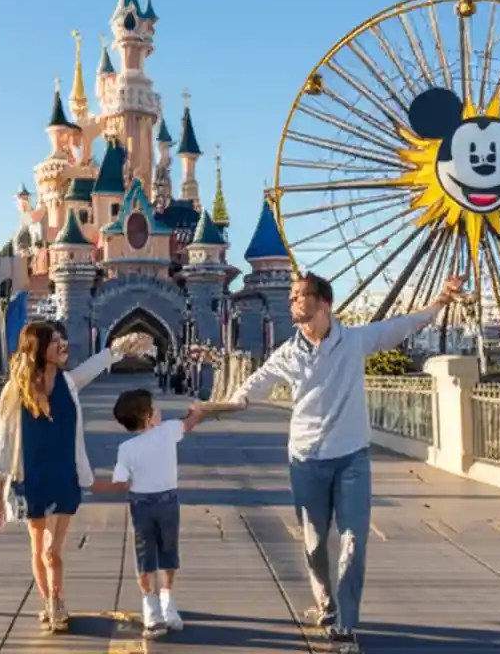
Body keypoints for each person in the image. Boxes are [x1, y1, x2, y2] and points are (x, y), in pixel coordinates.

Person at [192, 272, 463, 653]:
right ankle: (326, 603)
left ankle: (346, 624)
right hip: (306, 459)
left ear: (324, 303)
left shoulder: (355, 341)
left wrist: (441, 300)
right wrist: (210, 410)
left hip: (352, 457)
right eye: (291, 296)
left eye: (299, 295)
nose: (292, 302)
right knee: (315, 542)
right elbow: (250, 390)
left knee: (354, 539)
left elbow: (403, 325)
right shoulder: (288, 353)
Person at [0, 322, 153, 633]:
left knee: (53, 551)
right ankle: (49, 602)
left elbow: (92, 368)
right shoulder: (16, 390)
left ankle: (57, 602)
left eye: (62, 339)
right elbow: (5, 444)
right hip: (31, 478)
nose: (63, 344)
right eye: (55, 341)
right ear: (40, 349)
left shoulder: (67, 382)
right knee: (38, 547)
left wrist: (119, 347)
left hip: (64, 475)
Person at [93, 389, 206, 638]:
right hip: (167, 502)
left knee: (145, 554)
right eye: (154, 408)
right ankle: (167, 602)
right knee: (168, 551)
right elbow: (191, 422)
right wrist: (197, 410)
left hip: (141, 504)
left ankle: (152, 607)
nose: (159, 411)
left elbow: (121, 483)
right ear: (146, 415)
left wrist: (95, 486)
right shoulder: (168, 431)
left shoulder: (127, 448)